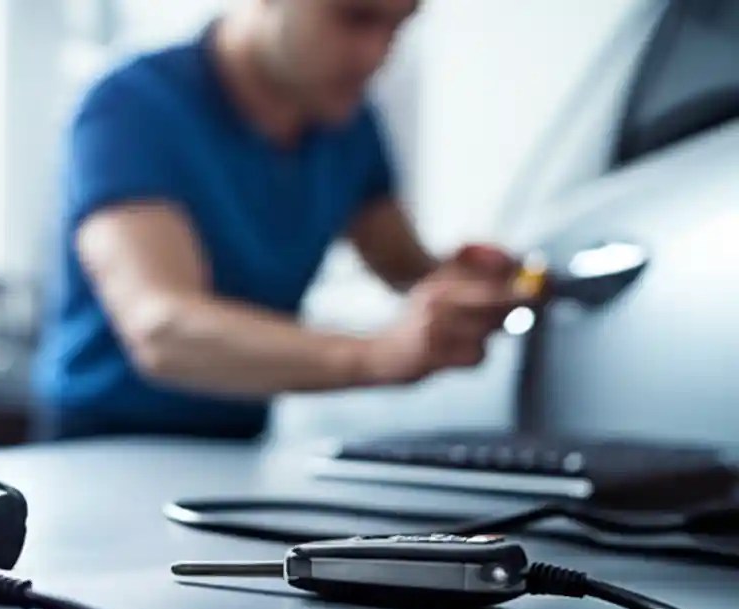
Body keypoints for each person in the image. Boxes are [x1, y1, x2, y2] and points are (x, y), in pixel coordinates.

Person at [33, 0, 525, 440]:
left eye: (398, 26)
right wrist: (379, 355)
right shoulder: (132, 106)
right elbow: (161, 330)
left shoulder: (347, 123)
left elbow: (402, 265)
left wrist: (464, 283)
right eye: (354, 16)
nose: (377, 55)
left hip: (240, 438)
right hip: (107, 440)